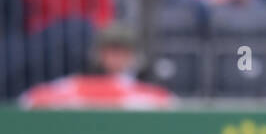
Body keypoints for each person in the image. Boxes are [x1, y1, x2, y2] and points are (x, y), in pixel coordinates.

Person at [21, 22, 175, 108]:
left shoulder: (148, 81)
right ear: (100, 54)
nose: (117, 58)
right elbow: (31, 99)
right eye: (111, 51)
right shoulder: (84, 78)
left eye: (122, 52)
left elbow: (169, 103)